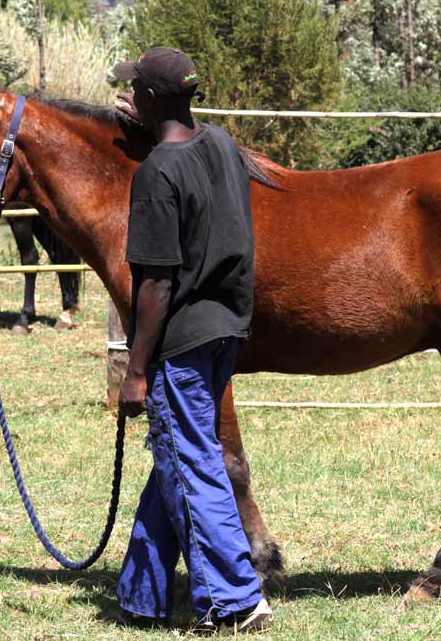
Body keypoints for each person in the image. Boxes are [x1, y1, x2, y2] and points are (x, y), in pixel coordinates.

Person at [111, 47, 272, 634]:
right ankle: (142, 594)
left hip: (180, 338)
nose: (131, 95)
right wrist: (154, 124)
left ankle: (236, 600)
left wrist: (135, 370)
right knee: (177, 454)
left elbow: (156, 283)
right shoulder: (222, 144)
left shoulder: (156, 174)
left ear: (150, 99)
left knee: (192, 463)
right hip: (226, 328)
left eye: (137, 90)